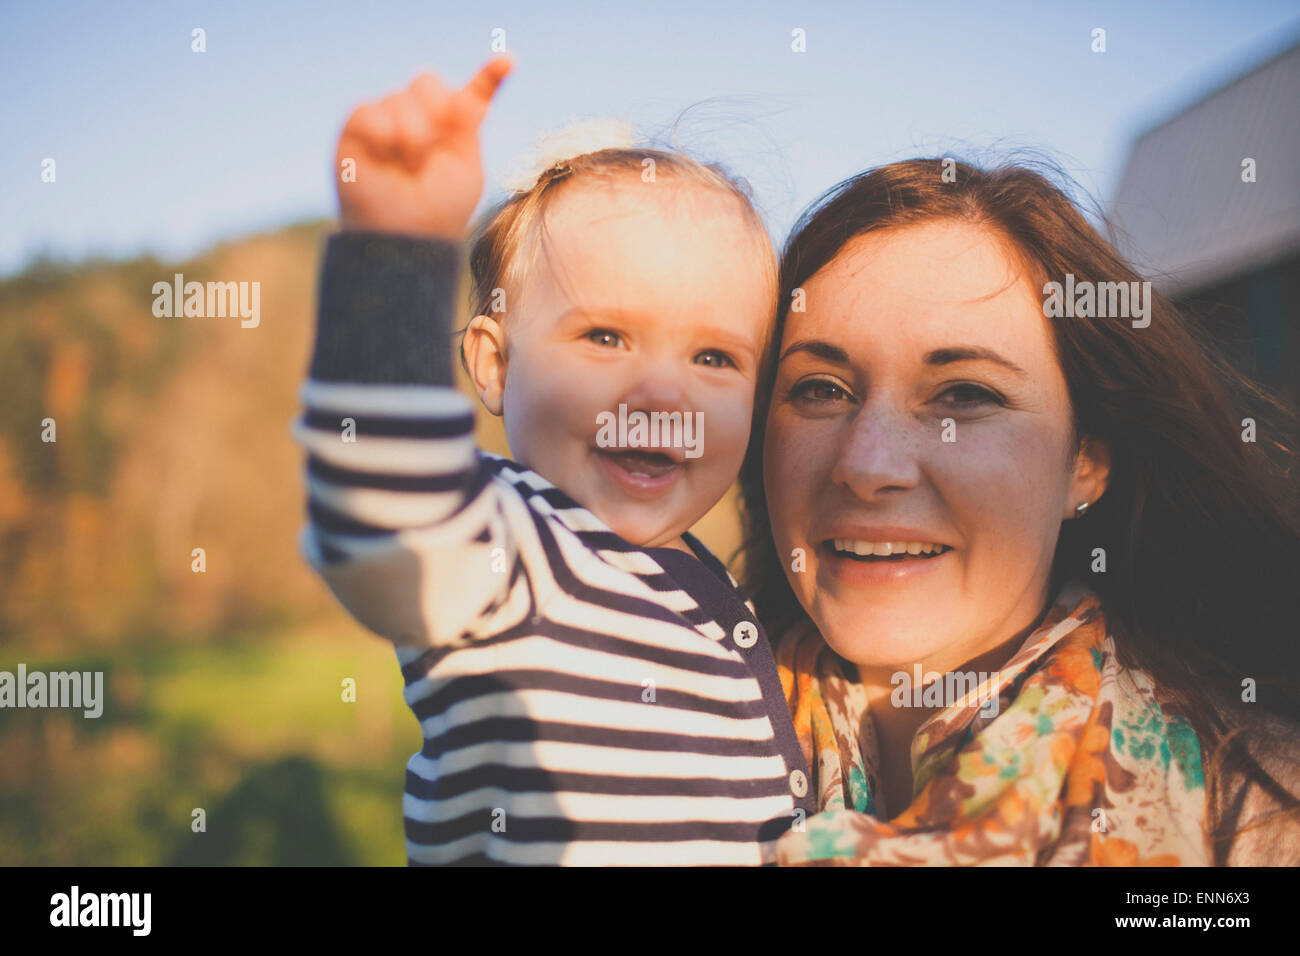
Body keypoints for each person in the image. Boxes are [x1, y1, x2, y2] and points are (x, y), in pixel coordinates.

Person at [291, 57, 817, 865]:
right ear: (494, 366)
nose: (662, 392)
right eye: (604, 337)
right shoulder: (513, 549)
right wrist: (394, 250)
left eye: (715, 357)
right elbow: (385, 512)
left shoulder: (706, 585)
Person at [737, 158, 1300, 865]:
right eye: (820, 388)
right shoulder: (649, 744)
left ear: (1085, 462)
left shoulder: (1261, 820)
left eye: (964, 394)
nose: (867, 464)